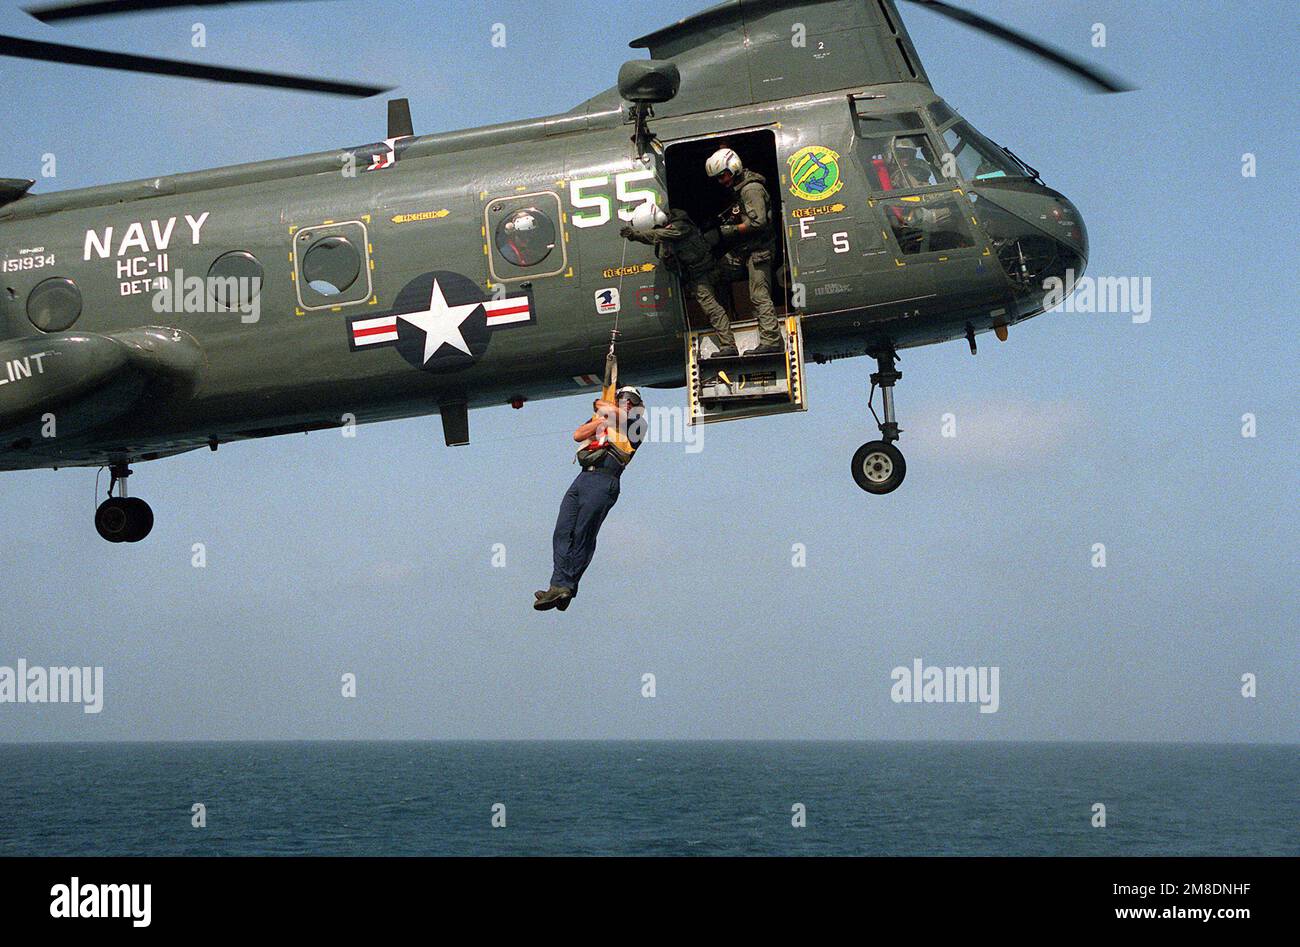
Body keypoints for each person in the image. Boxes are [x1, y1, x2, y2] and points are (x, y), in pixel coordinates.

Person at [535, 386, 646, 612]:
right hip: (583, 477)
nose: (625, 403)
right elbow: (578, 434)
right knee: (563, 531)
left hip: (604, 479)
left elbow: (603, 406)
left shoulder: (637, 424)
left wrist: (604, 410)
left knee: (583, 533)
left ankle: (565, 585)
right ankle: (560, 585)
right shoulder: (604, 418)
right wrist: (600, 421)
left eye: (627, 401)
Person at [620, 202, 737, 358]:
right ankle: (728, 342)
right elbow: (656, 236)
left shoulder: (679, 226)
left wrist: (636, 236)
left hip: (707, 271)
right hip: (699, 274)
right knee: (714, 309)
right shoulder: (671, 226)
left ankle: (729, 345)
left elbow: (658, 235)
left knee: (714, 308)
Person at [705, 148, 783, 355]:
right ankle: (727, 339)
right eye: (719, 177)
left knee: (759, 295)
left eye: (723, 175)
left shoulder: (751, 189)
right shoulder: (740, 189)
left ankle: (772, 341)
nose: (722, 181)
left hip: (759, 251)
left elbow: (758, 222)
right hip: (746, 249)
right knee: (715, 274)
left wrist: (728, 231)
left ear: (734, 167)